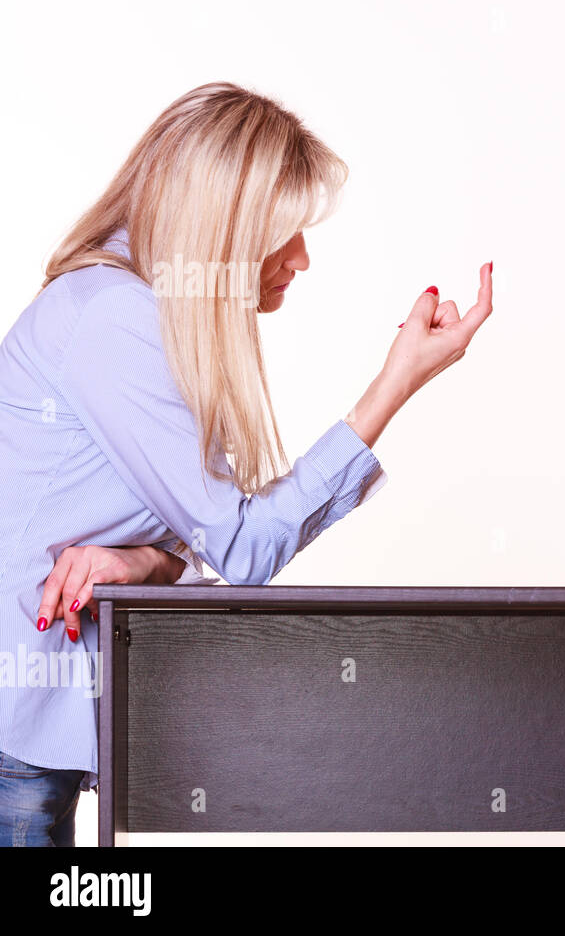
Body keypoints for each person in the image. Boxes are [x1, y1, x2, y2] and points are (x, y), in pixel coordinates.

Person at [0, 81, 492, 845]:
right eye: (285, 230)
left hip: (32, 738)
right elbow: (243, 546)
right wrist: (393, 386)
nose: (302, 258)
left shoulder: (140, 314)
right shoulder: (116, 321)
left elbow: (197, 542)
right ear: (222, 227)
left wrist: (145, 564)